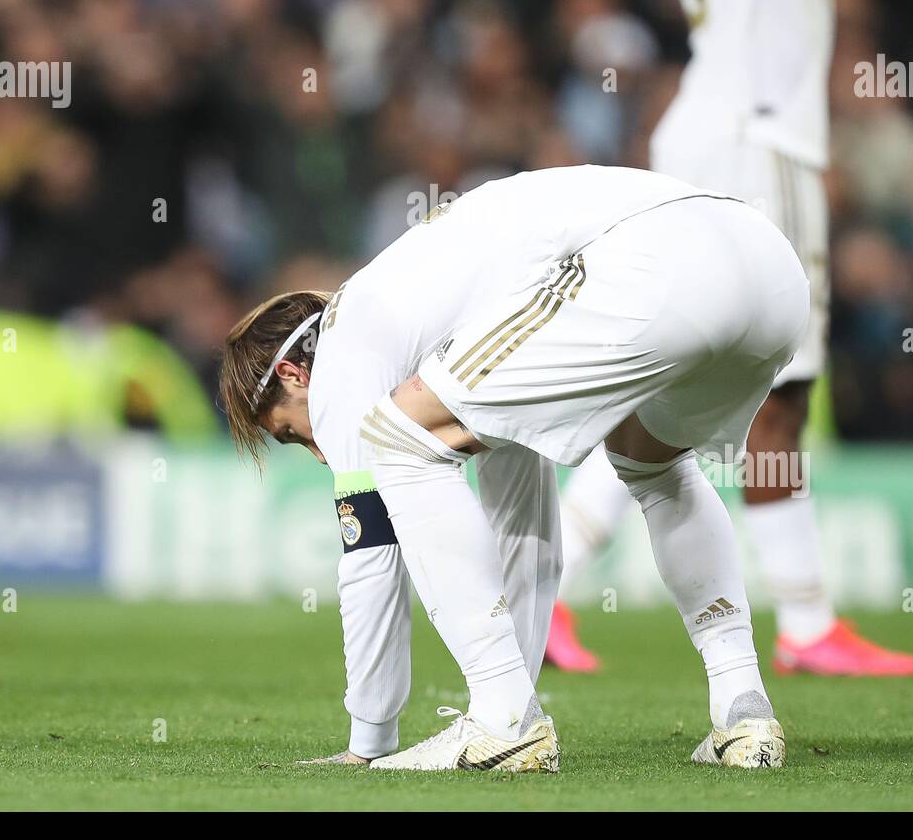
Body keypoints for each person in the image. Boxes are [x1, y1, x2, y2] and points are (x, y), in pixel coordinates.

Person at [547, 0, 913, 679]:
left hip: (774, 145)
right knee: (692, 375)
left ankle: (802, 625)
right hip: (741, 143)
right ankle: (556, 588)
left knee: (777, 391)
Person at [221, 164, 809, 771]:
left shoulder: (342, 356)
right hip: (770, 267)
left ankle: (504, 721)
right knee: (652, 463)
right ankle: (743, 712)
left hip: (656, 261)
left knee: (395, 438)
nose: (320, 453)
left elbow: (372, 562)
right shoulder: (441, 308)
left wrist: (369, 741)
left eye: (293, 432)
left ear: (292, 374)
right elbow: (523, 517)